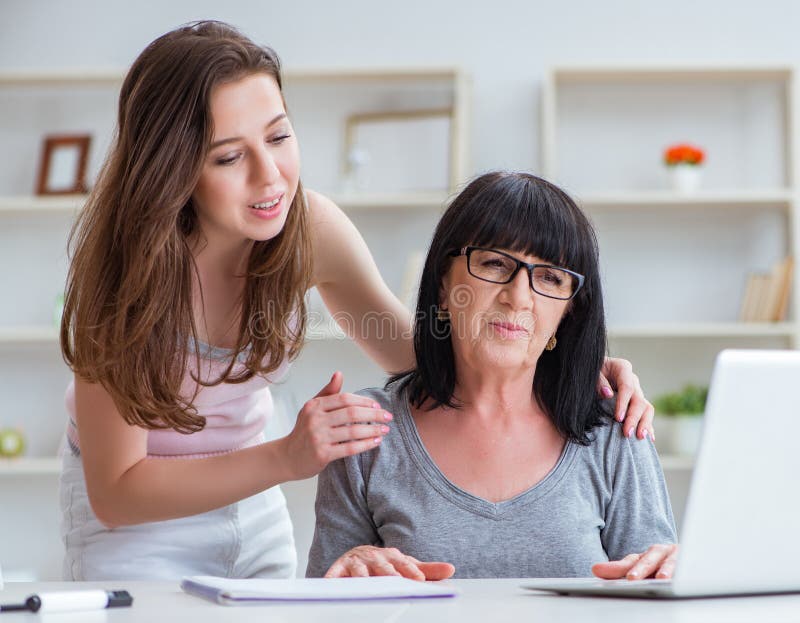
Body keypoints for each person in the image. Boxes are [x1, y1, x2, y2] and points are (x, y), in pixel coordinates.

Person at [59, 21, 653, 581]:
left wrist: (568, 366)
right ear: (171, 168)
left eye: (279, 136)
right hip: (137, 522)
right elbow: (116, 493)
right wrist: (289, 457)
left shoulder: (309, 228)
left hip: (249, 502)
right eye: (229, 156)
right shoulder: (123, 276)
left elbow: (423, 356)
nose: (271, 178)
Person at [307, 171, 678, 581]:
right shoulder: (366, 434)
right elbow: (323, 605)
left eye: (550, 277)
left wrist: (677, 576)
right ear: (444, 286)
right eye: (495, 264)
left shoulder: (616, 432)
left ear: (568, 311)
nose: (519, 297)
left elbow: (653, 598)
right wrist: (347, 571)